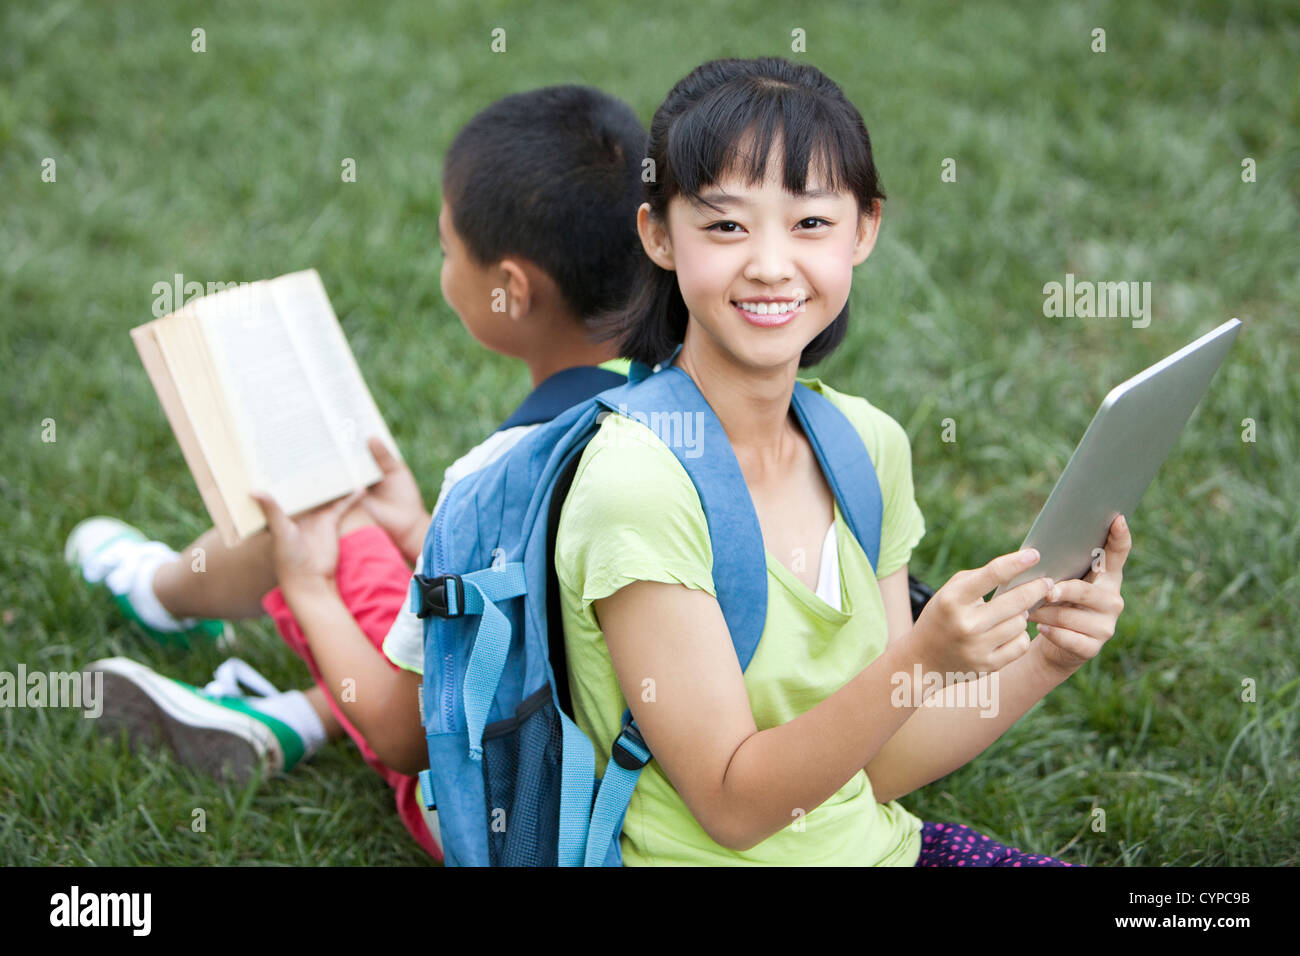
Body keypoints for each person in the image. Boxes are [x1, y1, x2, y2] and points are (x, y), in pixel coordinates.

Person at [554, 57, 1132, 866]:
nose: (768, 262)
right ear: (658, 234)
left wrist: (1046, 657)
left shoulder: (866, 446)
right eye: (724, 225)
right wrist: (923, 657)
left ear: (863, 230)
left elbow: (881, 764)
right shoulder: (638, 486)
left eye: (810, 224)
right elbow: (729, 806)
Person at [68, 84, 648, 862]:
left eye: (448, 249)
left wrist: (308, 588)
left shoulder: (493, 485)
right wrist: (420, 533)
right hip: (641, 803)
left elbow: (401, 733)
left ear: (511, 287)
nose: (443, 265)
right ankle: (291, 713)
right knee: (378, 539)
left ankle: (158, 597)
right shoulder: (688, 405)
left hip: (513, 826)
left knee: (321, 519)